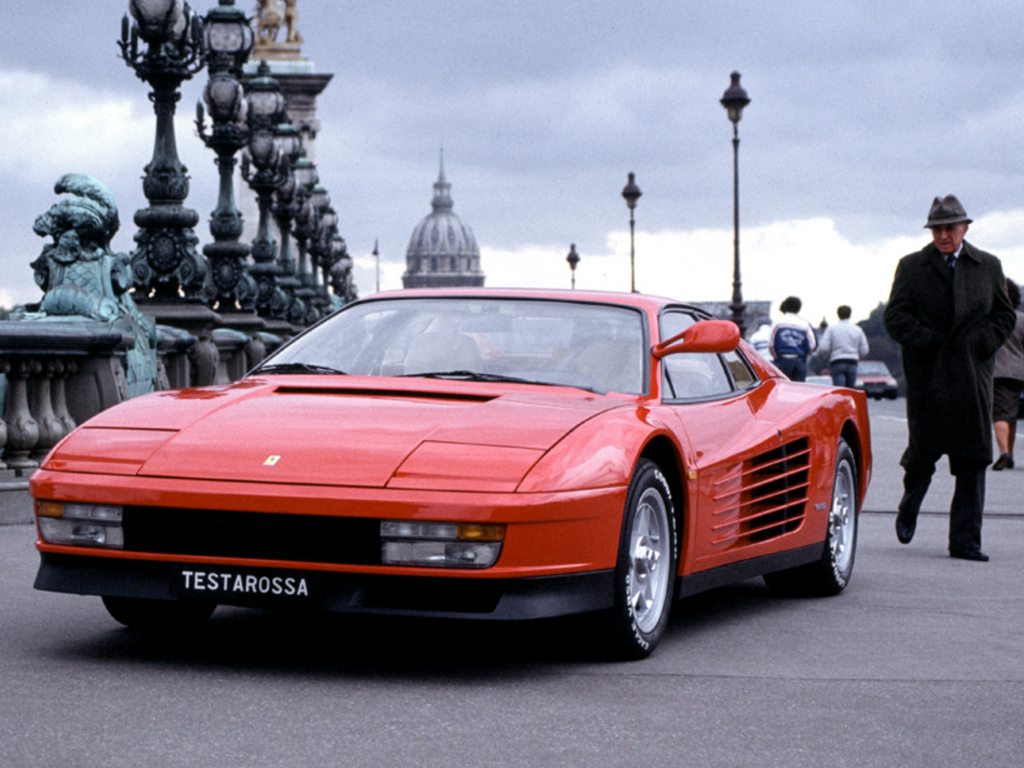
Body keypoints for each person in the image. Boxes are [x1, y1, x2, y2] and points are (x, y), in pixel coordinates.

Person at [883, 195, 1016, 562]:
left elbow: (1004, 315)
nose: (943, 235)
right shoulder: (911, 266)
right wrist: (923, 340)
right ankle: (910, 502)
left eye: (949, 228)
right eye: (937, 229)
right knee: (923, 455)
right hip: (929, 375)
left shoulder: (988, 266)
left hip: (972, 374)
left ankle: (965, 541)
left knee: (973, 458)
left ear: (964, 229)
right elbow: (895, 317)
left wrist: (985, 342)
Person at [991, 279, 1024, 470]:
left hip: (996, 371)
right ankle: (1009, 453)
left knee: (1000, 413)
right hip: (1019, 372)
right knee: (1010, 413)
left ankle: (1003, 452)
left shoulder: (990, 319)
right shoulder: (1021, 319)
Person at [818, 305, 870, 387]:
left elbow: (824, 347)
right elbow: (864, 350)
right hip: (852, 361)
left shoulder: (831, 329)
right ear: (850, 314)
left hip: (837, 361)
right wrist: (858, 356)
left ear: (837, 314)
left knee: (840, 390)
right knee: (850, 389)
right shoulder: (858, 330)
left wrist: (827, 356)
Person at [768, 296, 816, 381]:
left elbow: (771, 345)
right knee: (799, 390)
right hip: (798, 359)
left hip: (782, 360)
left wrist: (777, 358)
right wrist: (804, 358)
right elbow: (812, 345)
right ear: (799, 308)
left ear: (785, 306)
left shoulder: (778, 323)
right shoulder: (804, 324)